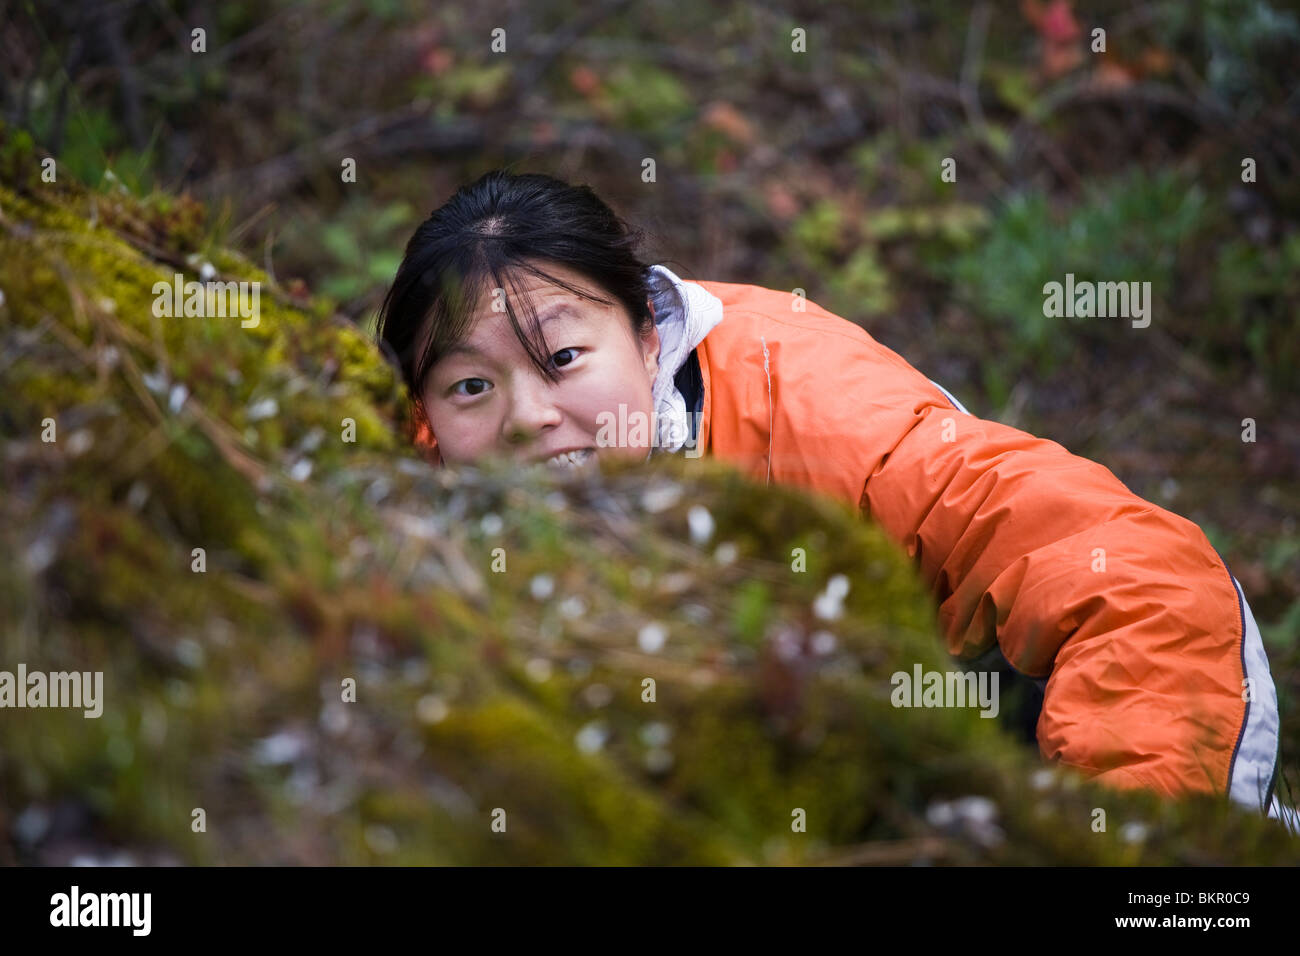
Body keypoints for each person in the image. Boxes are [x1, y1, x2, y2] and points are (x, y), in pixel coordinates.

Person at [375, 169, 1293, 828]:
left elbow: (1137, 580)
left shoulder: (824, 424)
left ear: (650, 333)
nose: (528, 419)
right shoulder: (406, 485)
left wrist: (1121, 844)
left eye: (564, 359)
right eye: (470, 388)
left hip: (1025, 713)